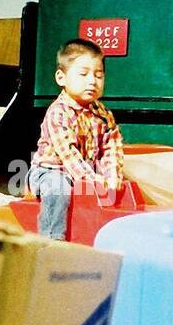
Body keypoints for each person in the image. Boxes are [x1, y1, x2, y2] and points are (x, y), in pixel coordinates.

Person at [27, 38, 125, 240]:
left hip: (86, 171)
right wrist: (92, 180)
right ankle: (51, 240)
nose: (92, 81)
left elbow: (112, 146)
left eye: (99, 75)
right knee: (58, 187)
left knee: (122, 186)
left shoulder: (103, 114)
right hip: (50, 170)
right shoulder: (58, 112)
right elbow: (68, 154)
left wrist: (112, 176)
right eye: (83, 74)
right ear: (61, 78)